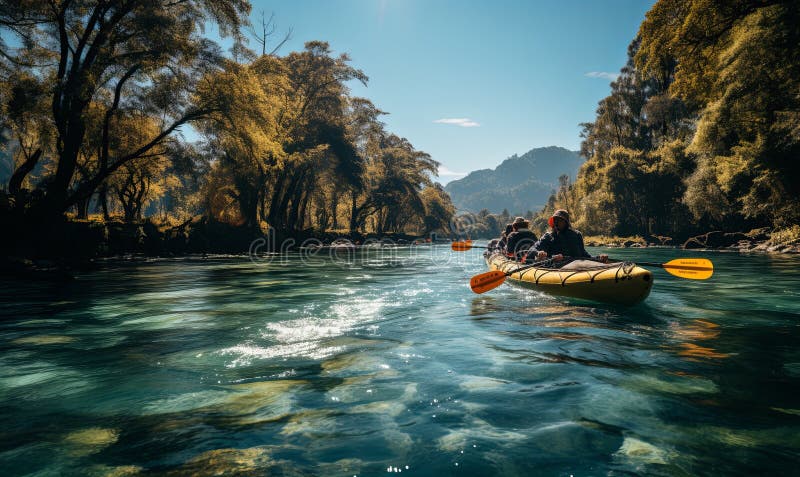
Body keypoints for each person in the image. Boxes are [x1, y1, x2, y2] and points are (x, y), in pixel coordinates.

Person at [531, 209, 608, 264]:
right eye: (555, 220)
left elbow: (584, 255)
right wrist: (538, 253)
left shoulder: (577, 235)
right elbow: (532, 249)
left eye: (560, 220)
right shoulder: (548, 236)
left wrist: (598, 258)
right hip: (555, 268)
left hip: (576, 268)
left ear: (566, 222)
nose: (556, 223)